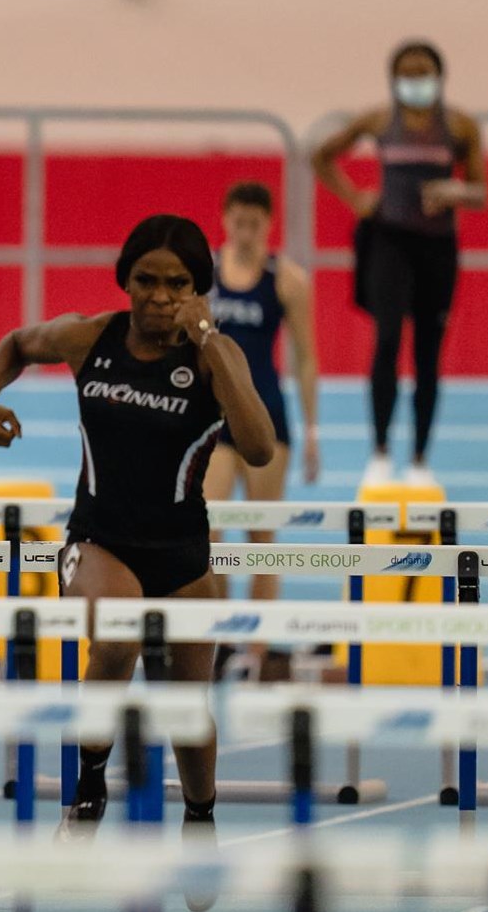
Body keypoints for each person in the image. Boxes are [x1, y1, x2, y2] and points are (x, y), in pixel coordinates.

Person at [0, 215, 273, 871]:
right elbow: (17, 343)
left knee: (188, 714)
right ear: (125, 280)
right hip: (98, 540)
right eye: (146, 280)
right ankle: (88, 787)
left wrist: (210, 338)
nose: (159, 296)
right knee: (117, 634)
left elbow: (258, 447)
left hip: (184, 557)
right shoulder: (90, 337)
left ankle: (200, 816)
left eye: (177, 284)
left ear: (199, 289)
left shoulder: (214, 357)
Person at [313, 39, 487, 487]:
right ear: (393, 79)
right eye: (406, 73)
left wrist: (455, 192)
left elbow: (481, 191)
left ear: (439, 76)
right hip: (389, 243)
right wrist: (355, 198)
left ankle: (421, 459)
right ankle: (380, 451)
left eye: (422, 72)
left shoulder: (461, 126)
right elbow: (321, 156)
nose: (415, 80)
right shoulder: (378, 120)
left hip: (437, 247)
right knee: (387, 338)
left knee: (429, 352)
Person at [205, 182, 321, 682]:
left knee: (261, 537)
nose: (247, 232)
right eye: (239, 223)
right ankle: (216, 640)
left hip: (268, 419)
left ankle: (257, 650)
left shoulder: (288, 281)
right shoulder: (204, 276)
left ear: (269, 224)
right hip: (214, 419)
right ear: (225, 219)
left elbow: (307, 358)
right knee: (208, 531)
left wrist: (311, 430)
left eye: (255, 224)